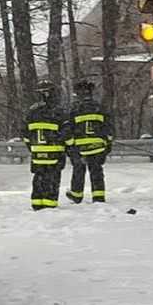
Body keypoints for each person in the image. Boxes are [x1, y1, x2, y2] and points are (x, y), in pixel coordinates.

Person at [24, 78, 68, 213]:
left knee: (39, 177)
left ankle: (37, 202)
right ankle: (50, 203)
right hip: (55, 152)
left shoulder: (32, 112)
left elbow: (25, 134)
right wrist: (68, 146)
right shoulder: (58, 111)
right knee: (53, 177)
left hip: (37, 153)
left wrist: (32, 148)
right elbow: (66, 131)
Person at [66, 78, 112, 203]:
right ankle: (98, 196)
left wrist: (70, 147)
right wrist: (108, 143)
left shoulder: (74, 110)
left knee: (79, 171)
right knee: (96, 171)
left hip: (80, 148)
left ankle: (76, 195)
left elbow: (68, 130)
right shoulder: (99, 107)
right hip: (97, 147)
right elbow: (108, 128)